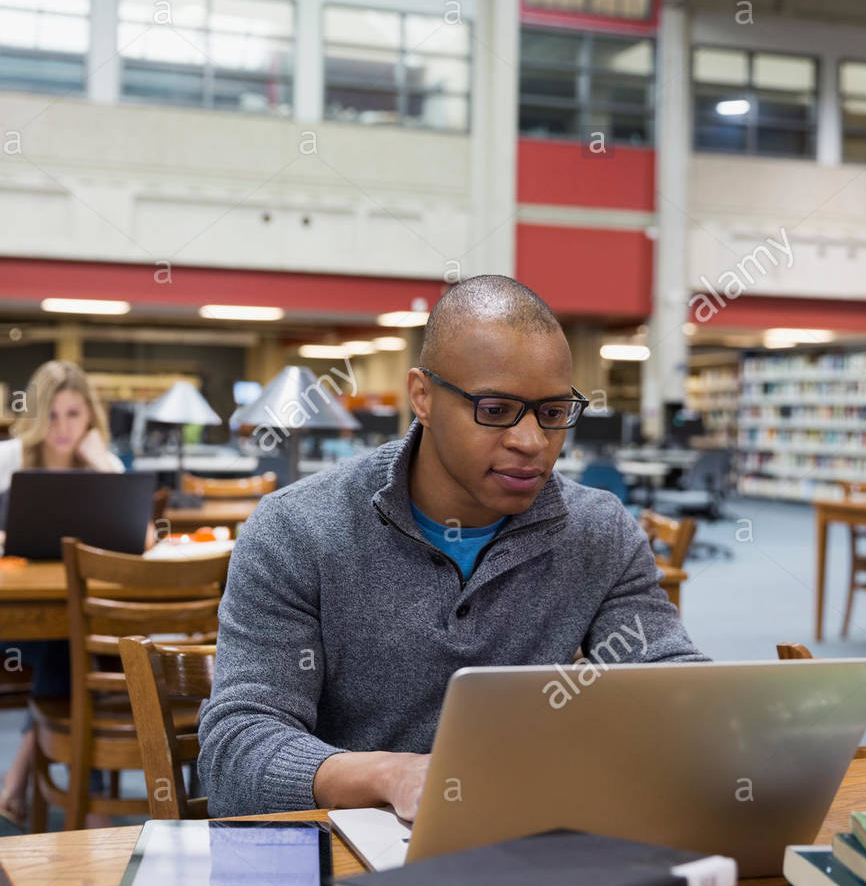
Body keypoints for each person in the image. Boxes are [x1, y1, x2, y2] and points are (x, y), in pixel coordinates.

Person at [198, 276, 707, 822]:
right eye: (495, 410)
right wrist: (392, 776)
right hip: (343, 860)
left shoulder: (598, 532)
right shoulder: (296, 530)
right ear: (423, 396)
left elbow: (666, 680)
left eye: (554, 413)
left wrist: (721, 725)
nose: (531, 441)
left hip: (530, 844)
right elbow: (237, 751)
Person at [0, 360, 123, 828]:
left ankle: (16, 782)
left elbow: (144, 537)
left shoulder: (102, 464)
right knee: (68, 649)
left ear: (90, 417)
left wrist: (97, 462)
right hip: (13, 621)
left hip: (72, 622)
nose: (62, 427)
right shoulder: (9, 458)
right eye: (51, 415)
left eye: (73, 414)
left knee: (68, 643)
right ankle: (86, 802)